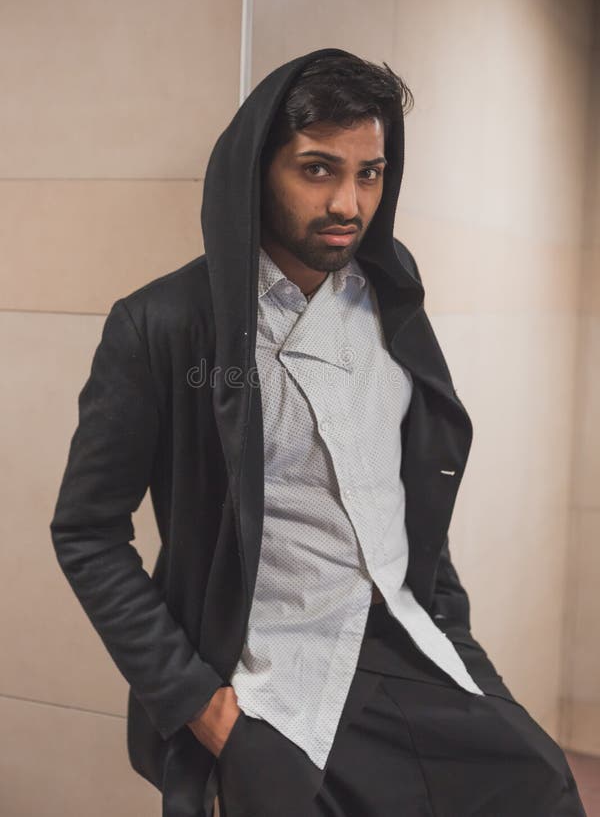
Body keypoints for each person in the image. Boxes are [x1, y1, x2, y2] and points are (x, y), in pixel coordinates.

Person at [50, 48, 586, 817]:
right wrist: (203, 708)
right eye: (318, 169)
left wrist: (457, 639)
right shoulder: (165, 325)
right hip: (265, 673)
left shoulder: (389, 295)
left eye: (369, 173)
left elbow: (400, 495)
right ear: (258, 170)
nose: (348, 202)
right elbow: (87, 532)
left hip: (400, 637)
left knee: (539, 782)